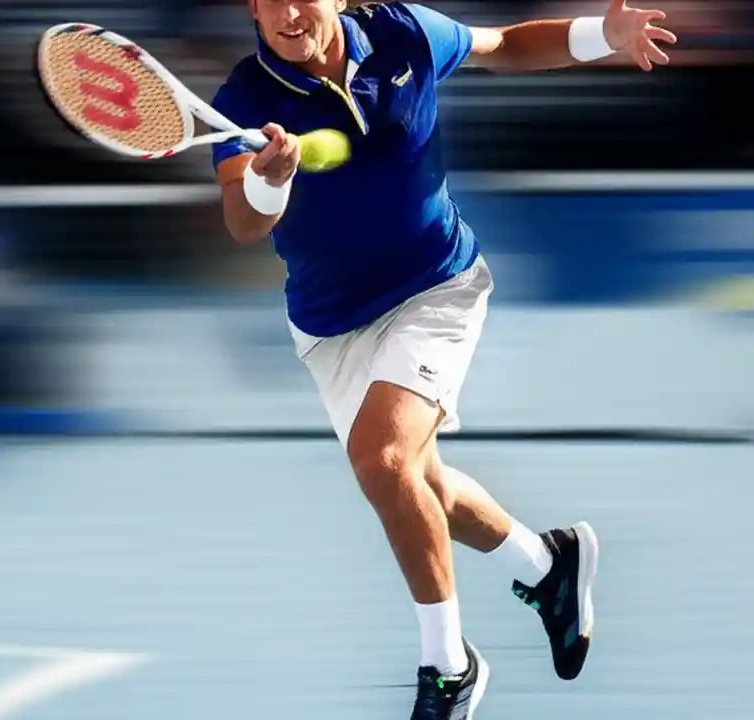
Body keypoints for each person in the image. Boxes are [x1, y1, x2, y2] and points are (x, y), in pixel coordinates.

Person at [209, 1, 675, 717]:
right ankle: (548, 565)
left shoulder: (404, 32)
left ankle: (447, 667)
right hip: (330, 326)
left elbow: (505, 46)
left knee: (384, 461)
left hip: (435, 289)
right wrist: (272, 178)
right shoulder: (243, 97)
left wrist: (599, 37)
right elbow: (244, 220)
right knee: (417, 483)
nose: (287, 12)